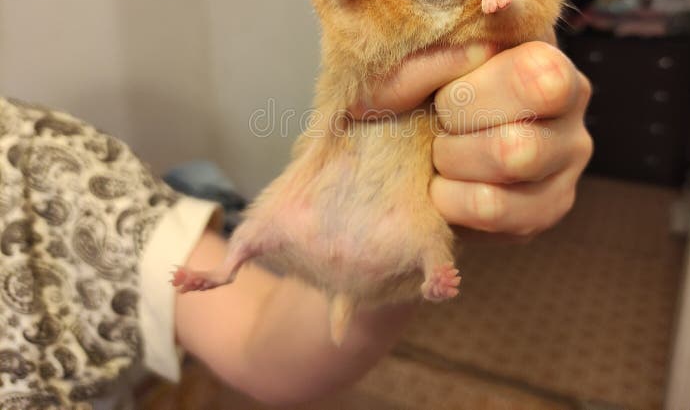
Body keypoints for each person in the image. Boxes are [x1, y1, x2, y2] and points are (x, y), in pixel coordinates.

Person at [0, 41, 592, 409]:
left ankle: (424, 265)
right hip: (329, 195)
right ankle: (232, 264)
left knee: (412, 237)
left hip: (389, 197)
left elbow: (261, 338)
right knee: (265, 219)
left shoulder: (42, 163)